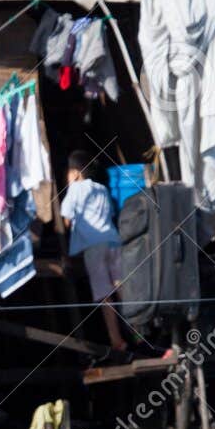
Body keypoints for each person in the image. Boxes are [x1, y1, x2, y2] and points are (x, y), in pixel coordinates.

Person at [61, 150, 129, 358]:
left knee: (104, 294)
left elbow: (66, 219)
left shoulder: (75, 190)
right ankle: (137, 328)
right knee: (120, 285)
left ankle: (116, 340)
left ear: (75, 173)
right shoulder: (102, 189)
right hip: (113, 240)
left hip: (94, 246)